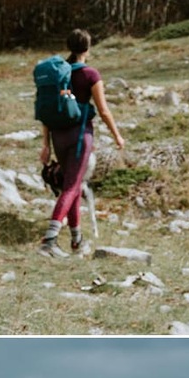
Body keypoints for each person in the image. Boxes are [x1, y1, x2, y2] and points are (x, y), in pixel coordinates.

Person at [38, 28, 125, 257]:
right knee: (72, 186)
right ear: (88, 48)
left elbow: (47, 111)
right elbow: (104, 111)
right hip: (79, 137)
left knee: (72, 186)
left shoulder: (60, 73)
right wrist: (117, 136)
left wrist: (45, 144)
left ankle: (76, 241)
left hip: (58, 135)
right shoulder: (90, 75)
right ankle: (49, 240)